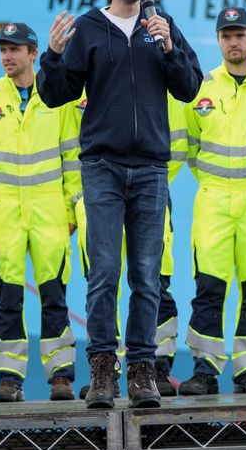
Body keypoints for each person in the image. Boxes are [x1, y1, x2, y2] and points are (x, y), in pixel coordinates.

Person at [37, 0, 203, 409]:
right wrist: (51, 54)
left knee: (147, 276)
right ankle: (104, 371)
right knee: (104, 273)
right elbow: (55, 94)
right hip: (103, 167)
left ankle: (144, 371)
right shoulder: (89, 29)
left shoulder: (161, 26)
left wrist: (170, 47)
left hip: (151, 168)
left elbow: (190, 88)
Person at [177, 7, 246, 396]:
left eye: (240, 34)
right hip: (213, 199)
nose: (233, 41)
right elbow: (191, 147)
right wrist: (215, 182)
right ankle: (205, 370)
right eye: (226, 35)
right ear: (219, 40)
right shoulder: (201, 88)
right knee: (209, 287)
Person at [0, 23, 78, 403]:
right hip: (3, 214)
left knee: (54, 296)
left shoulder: (58, 96)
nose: (7, 57)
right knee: (8, 298)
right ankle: (10, 378)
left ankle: (60, 376)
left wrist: (71, 209)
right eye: (3, 50)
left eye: (15, 49)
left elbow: (72, 158)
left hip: (49, 211)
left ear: (34, 54)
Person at [69, 99, 188, 398]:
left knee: (154, 281)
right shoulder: (78, 79)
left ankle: (154, 369)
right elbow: (67, 146)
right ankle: (105, 372)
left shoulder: (151, 67)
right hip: (96, 193)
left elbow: (178, 139)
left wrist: (152, 179)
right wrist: (80, 192)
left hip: (149, 189)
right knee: (102, 283)